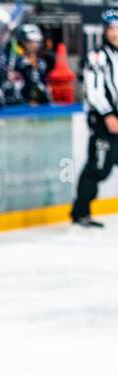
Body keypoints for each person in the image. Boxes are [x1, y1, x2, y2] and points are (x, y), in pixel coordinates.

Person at [71, 9, 118, 227]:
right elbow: (94, 89)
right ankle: (81, 212)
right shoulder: (97, 56)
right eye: (112, 29)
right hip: (104, 121)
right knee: (98, 167)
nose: (115, 33)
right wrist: (108, 114)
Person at [4, 24, 53, 106]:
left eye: (36, 42)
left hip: (38, 104)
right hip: (20, 103)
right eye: (30, 41)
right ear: (22, 42)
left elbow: (43, 84)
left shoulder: (41, 63)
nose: (34, 45)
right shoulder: (15, 61)